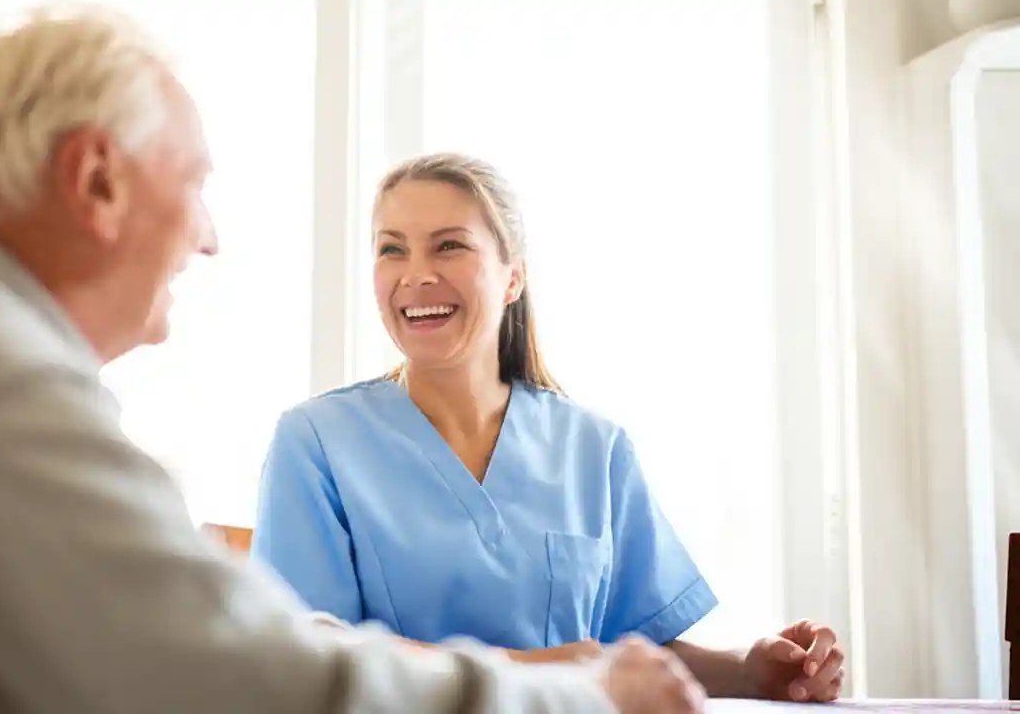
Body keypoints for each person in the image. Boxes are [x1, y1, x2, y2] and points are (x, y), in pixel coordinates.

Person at [0, 7, 707, 714]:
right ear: (98, 180)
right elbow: (256, 684)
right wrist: (587, 698)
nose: (207, 238)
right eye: (194, 184)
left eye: (450, 245)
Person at [252, 153, 847, 703]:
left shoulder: (594, 448)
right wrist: (543, 670)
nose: (416, 275)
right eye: (392, 250)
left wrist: (753, 670)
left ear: (513, 278)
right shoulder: (317, 443)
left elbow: (632, 653)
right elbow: (308, 658)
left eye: (449, 246)